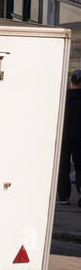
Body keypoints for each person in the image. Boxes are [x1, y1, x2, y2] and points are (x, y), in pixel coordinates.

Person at [60, 70, 81, 204]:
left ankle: (63, 197)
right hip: (80, 138)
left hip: (64, 136)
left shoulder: (63, 98)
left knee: (63, 167)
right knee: (80, 166)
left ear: (71, 82)